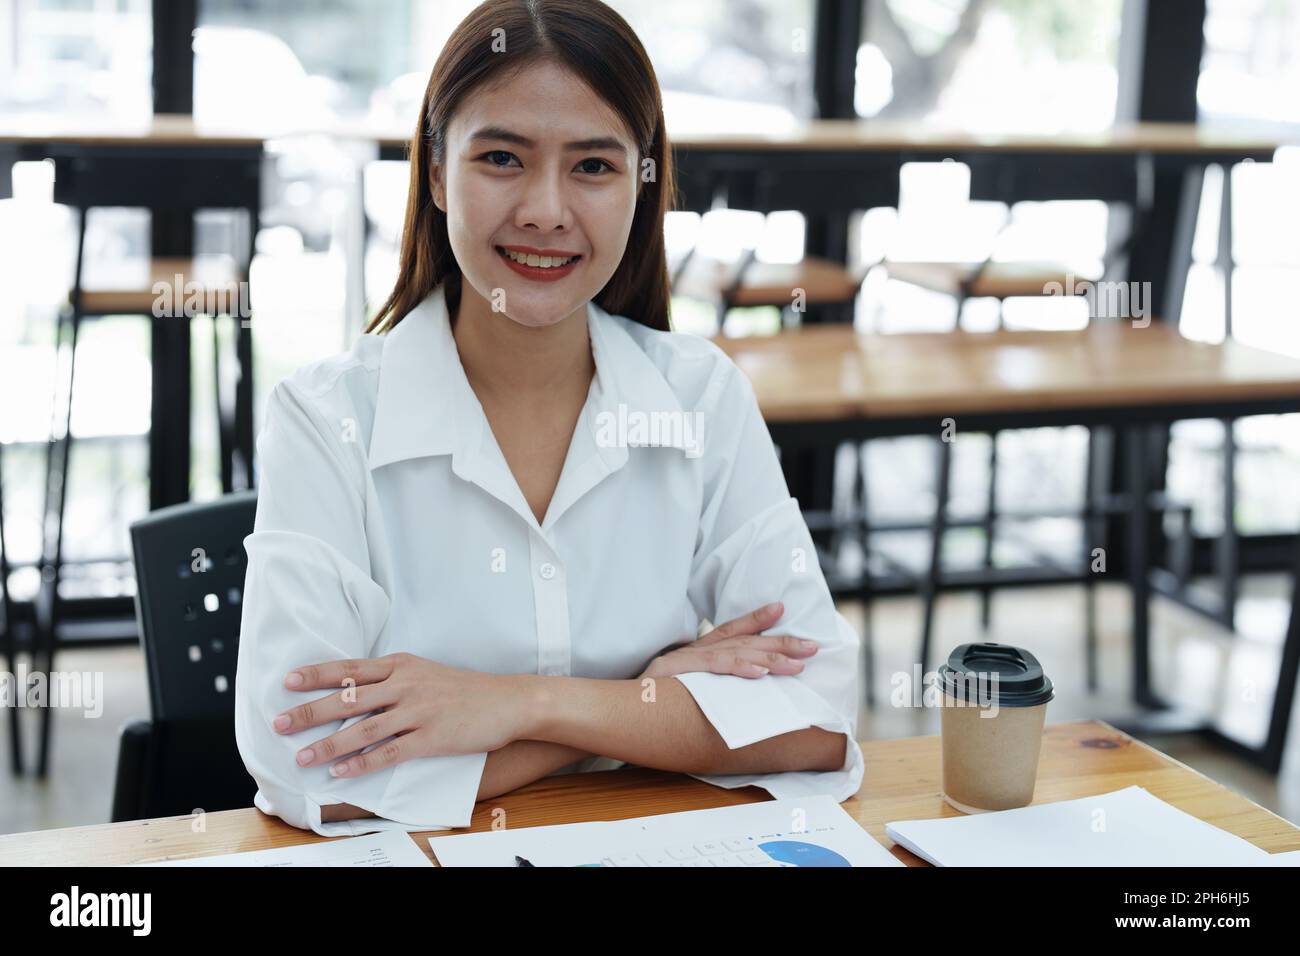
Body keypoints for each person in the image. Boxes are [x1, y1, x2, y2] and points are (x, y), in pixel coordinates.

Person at [234, 0, 862, 837]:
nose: (545, 209)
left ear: (641, 182)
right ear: (433, 171)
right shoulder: (324, 418)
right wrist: (638, 701)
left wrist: (513, 705)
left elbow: (819, 714)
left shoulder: (700, 397)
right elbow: (309, 770)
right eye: (501, 157)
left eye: (593, 167)